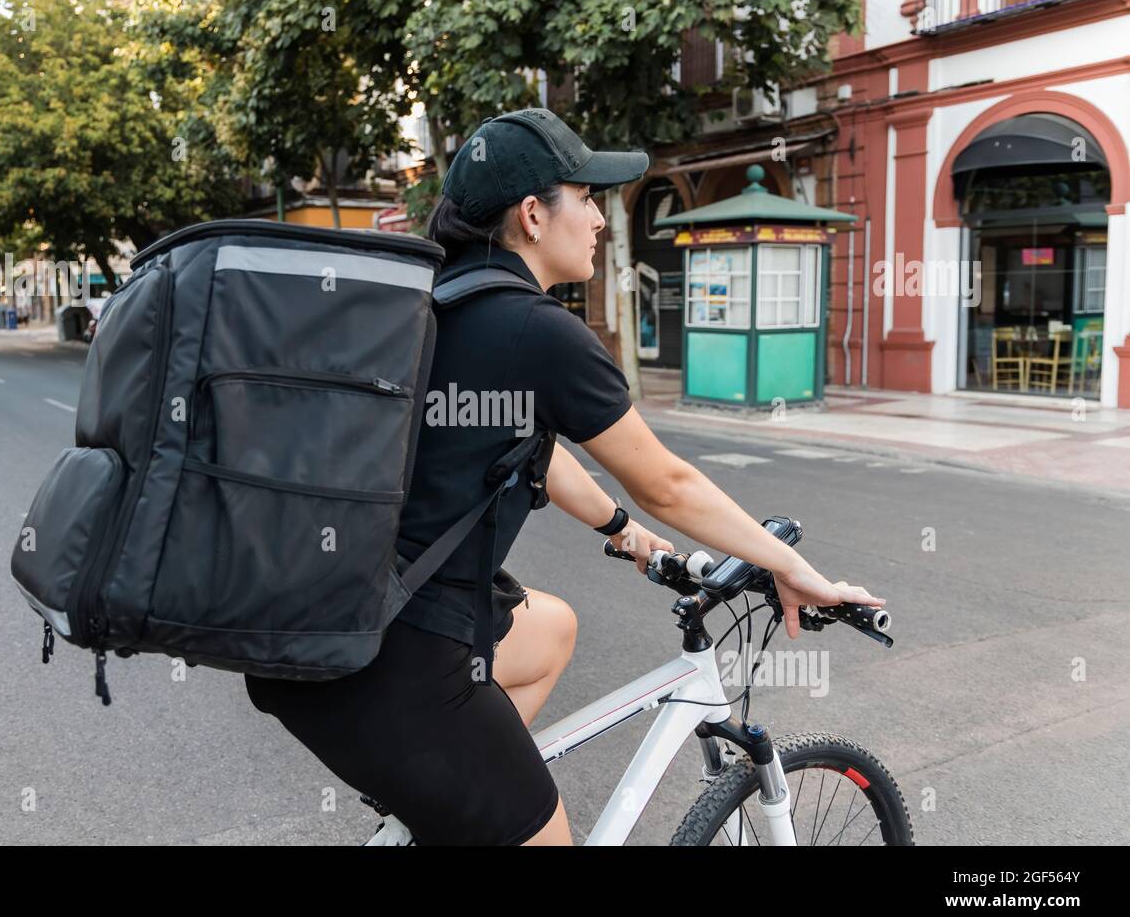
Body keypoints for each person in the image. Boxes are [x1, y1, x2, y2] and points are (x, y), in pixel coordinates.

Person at [243, 108, 885, 846]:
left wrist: (624, 532)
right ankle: (456, 790)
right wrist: (799, 570)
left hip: (318, 629)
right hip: (393, 663)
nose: (599, 220)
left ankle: (451, 797)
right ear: (532, 216)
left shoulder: (434, 306)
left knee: (550, 628)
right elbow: (668, 483)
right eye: (585, 198)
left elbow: (532, 448)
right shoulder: (533, 330)